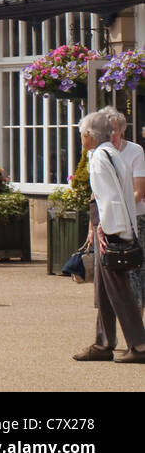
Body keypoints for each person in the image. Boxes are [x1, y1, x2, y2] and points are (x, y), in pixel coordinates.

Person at [72, 110, 145, 363]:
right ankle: (103, 343)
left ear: (90, 135)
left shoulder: (100, 158)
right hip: (117, 226)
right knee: (104, 289)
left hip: (113, 230)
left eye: (82, 134)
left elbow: (110, 198)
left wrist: (103, 228)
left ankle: (139, 345)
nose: (81, 138)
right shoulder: (109, 154)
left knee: (118, 289)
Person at [102, 107, 145, 308]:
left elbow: (138, 191)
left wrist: (121, 215)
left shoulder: (135, 151)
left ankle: (136, 323)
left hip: (134, 219)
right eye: (106, 130)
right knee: (111, 272)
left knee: (135, 271)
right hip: (108, 222)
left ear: (121, 130)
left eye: (114, 130)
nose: (111, 135)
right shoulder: (99, 153)